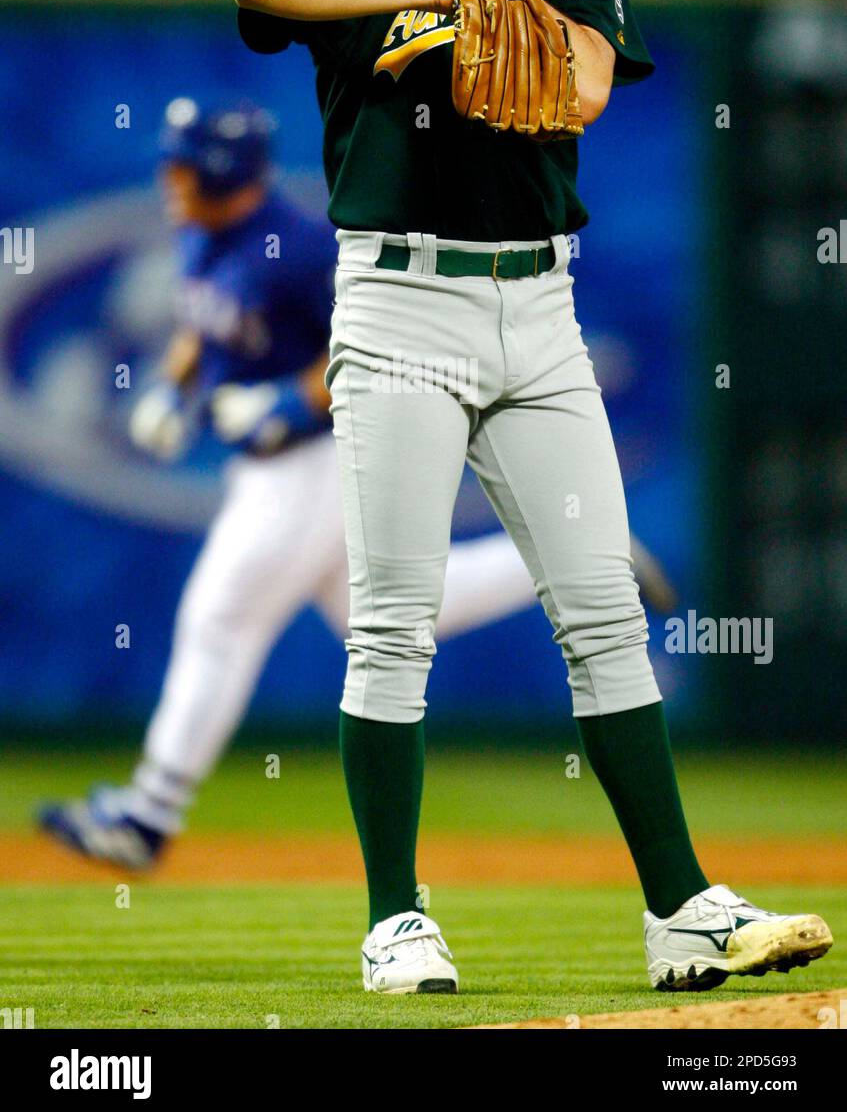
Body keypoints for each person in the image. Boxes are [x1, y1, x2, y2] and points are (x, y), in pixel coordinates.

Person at [230, 0, 833, 995]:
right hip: (396, 300)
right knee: (392, 626)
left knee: (602, 610)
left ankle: (682, 912)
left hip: (538, 308)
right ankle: (395, 919)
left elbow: (589, 84)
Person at [40, 95, 676, 869]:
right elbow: (197, 326)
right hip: (268, 469)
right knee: (363, 613)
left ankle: (146, 814)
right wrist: (177, 391)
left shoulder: (297, 245)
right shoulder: (204, 232)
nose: (168, 177)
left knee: (221, 616)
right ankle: (587, 559)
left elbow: (368, 343)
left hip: (320, 456)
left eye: (181, 162)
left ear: (219, 165)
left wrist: (286, 400)